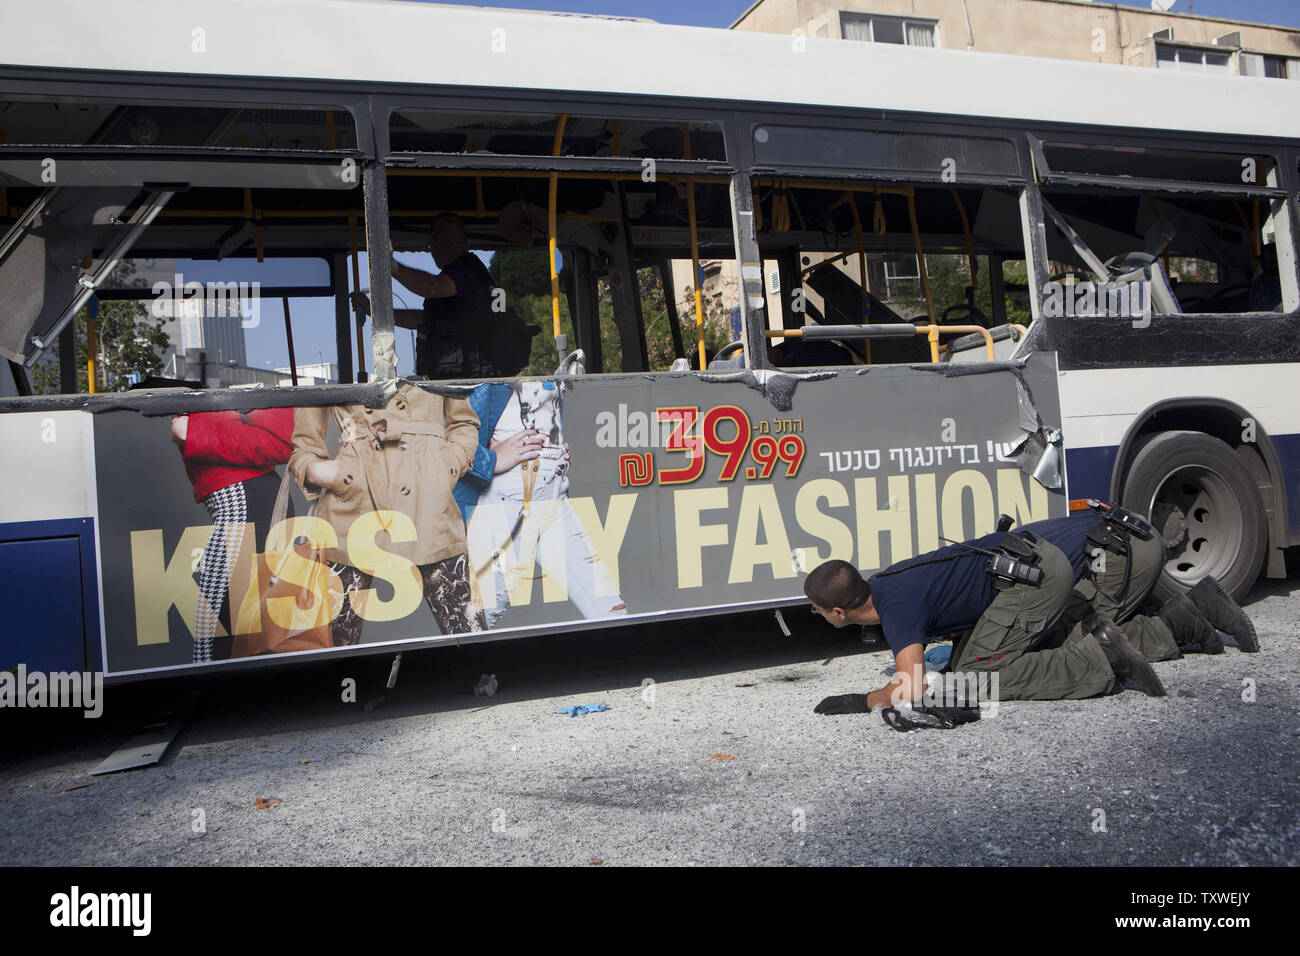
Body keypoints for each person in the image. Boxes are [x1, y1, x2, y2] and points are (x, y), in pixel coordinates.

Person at [805, 516, 1170, 715]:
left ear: (839, 611)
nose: (818, 615)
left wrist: (864, 701)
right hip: (1032, 564)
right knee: (967, 664)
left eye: (818, 611)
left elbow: (909, 688)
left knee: (974, 680)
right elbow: (962, 606)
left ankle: (1101, 660)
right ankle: (1175, 626)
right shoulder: (887, 584)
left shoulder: (894, 608)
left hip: (1033, 579)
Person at [287, 382, 486, 644]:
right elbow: (305, 447)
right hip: (353, 508)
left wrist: (444, 467)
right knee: (331, 654)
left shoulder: (433, 346)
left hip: (429, 503)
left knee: (477, 650)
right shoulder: (337, 348)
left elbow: (463, 423)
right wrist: (328, 473)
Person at [453, 380, 628, 628]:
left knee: (612, 613)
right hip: (510, 500)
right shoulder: (486, 360)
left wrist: (553, 448)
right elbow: (444, 431)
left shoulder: (525, 362)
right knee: (475, 623)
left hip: (553, 498)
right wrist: (487, 459)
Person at [172, 408, 294, 663]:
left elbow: (281, 442)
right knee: (230, 617)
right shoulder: (222, 409)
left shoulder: (242, 405)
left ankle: (209, 693)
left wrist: (194, 429)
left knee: (215, 618)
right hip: (247, 500)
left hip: (245, 502)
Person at [390, 214, 498, 379]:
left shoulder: (465, 271)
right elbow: (424, 320)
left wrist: (393, 268)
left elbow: (432, 287)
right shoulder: (472, 274)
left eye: (430, 246)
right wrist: (378, 313)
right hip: (464, 378)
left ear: (435, 244)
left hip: (469, 380)